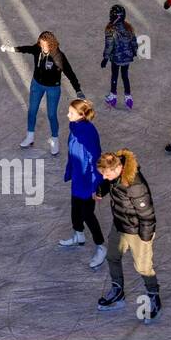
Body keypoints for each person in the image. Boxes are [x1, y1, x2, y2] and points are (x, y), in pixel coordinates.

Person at [95, 148, 160, 322]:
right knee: (112, 256)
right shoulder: (115, 173)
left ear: (117, 170)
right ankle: (118, 291)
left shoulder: (135, 185)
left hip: (137, 231)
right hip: (120, 225)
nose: (104, 177)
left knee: (143, 267)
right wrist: (101, 190)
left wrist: (145, 240)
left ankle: (153, 296)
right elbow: (109, 183)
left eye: (105, 174)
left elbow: (147, 215)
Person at [0, 31, 85, 155]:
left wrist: (78, 90)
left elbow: (69, 73)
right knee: (32, 111)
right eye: (41, 44)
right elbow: (26, 49)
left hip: (53, 88)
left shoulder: (58, 56)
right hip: (37, 85)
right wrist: (10, 49)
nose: (43, 47)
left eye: (45, 45)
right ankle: (30, 137)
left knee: (51, 114)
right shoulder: (37, 49)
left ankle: (55, 139)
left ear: (51, 44)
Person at [61, 98, 106, 269]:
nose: (67, 115)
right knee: (75, 208)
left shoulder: (87, 133)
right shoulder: (75, 127)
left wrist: (96, 186)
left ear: (81, 115)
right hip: (78, 177)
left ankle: (100, 246)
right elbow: (73, 152)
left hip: (88, 180)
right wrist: (70, 170)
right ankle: (78, 234)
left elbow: (95, 160)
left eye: (71, 113)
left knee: (88, 214)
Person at [99, 3, 138, 110]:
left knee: (115, 75)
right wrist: (134, 51)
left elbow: (109, 45)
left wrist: (105, 58)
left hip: (116, 58)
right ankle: (128, 97)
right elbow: (134, 41)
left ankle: (113, 96)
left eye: (112, 15)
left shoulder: (111, 30)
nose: (110, 17)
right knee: (125, 76)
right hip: (127, 58)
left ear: (116, 17)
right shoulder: (128, 27)